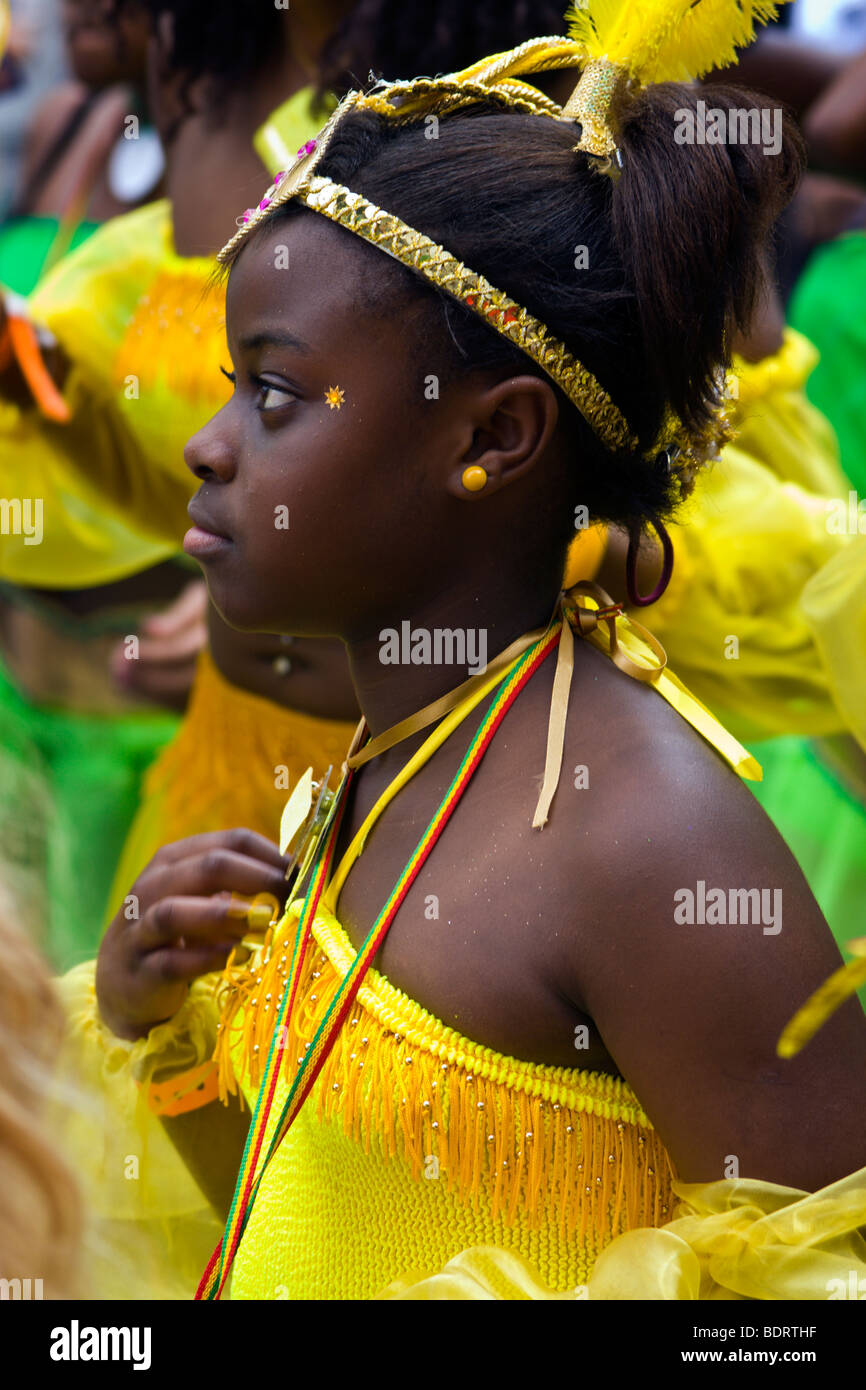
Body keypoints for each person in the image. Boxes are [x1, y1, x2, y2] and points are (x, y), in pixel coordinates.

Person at [87, 5, 866, 1301]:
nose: (206, 445)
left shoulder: (643, 845)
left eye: (272, 395)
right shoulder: (397, 747)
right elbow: (323, 1222)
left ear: (492, 440)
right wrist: (162, 1027)